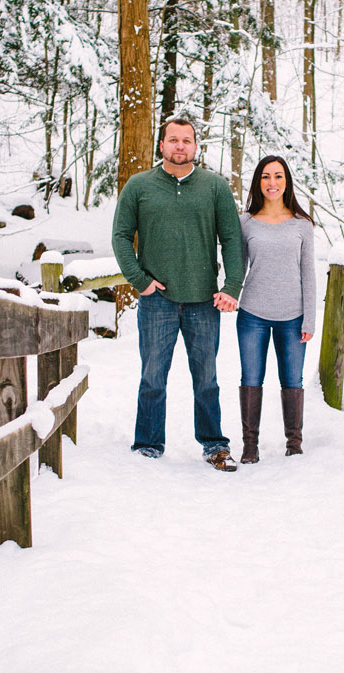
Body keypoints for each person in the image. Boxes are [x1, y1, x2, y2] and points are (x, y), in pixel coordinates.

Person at [111, 115, 245, 471]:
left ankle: (215, 445)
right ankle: (148, 445)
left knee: (207, 378)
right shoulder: (139, 187)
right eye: (173, 139)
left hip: (204, 300)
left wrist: (231, 286)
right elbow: (121, 236)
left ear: (196, 146)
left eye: (187, 140)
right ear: (162, 145)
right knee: (153, 376)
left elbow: (232, 239)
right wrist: (139, 280)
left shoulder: (215, 187)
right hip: (157, 301)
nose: (180, 146)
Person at [236, 155, 315, 462]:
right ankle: (250, 446)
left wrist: (310, 318)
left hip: (293, 317)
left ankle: (294, 444)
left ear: (287, 181)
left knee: (292, 380)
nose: (272, 183)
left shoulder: (302, 224)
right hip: (252, 313)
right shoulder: (245, 222)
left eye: (278, 176)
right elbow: (237, 268)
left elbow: (308, 275)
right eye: (266, 176)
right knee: (251, 377)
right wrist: (228, 294)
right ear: (258, 182)